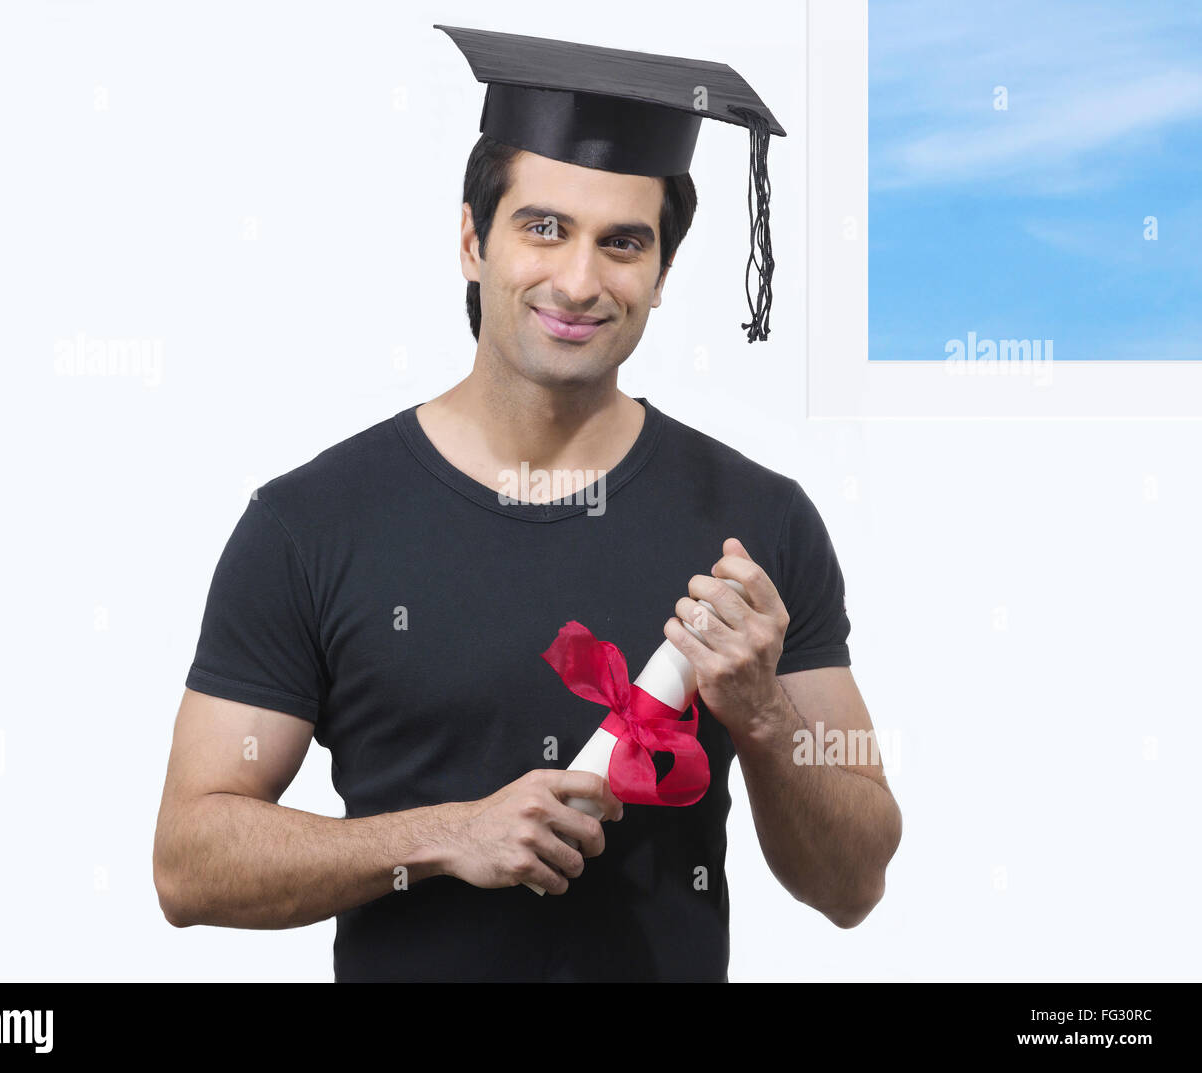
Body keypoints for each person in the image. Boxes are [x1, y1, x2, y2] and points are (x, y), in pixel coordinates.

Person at [153, 25, 901, 982]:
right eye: (543, 227)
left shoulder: (756, 529)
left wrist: (761, 714)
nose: (580, 281)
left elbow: (854, 882)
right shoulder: (310, 526)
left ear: (662, 273)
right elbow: (188, 862)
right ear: (473, 239)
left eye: (623, 242)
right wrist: (442, 837)